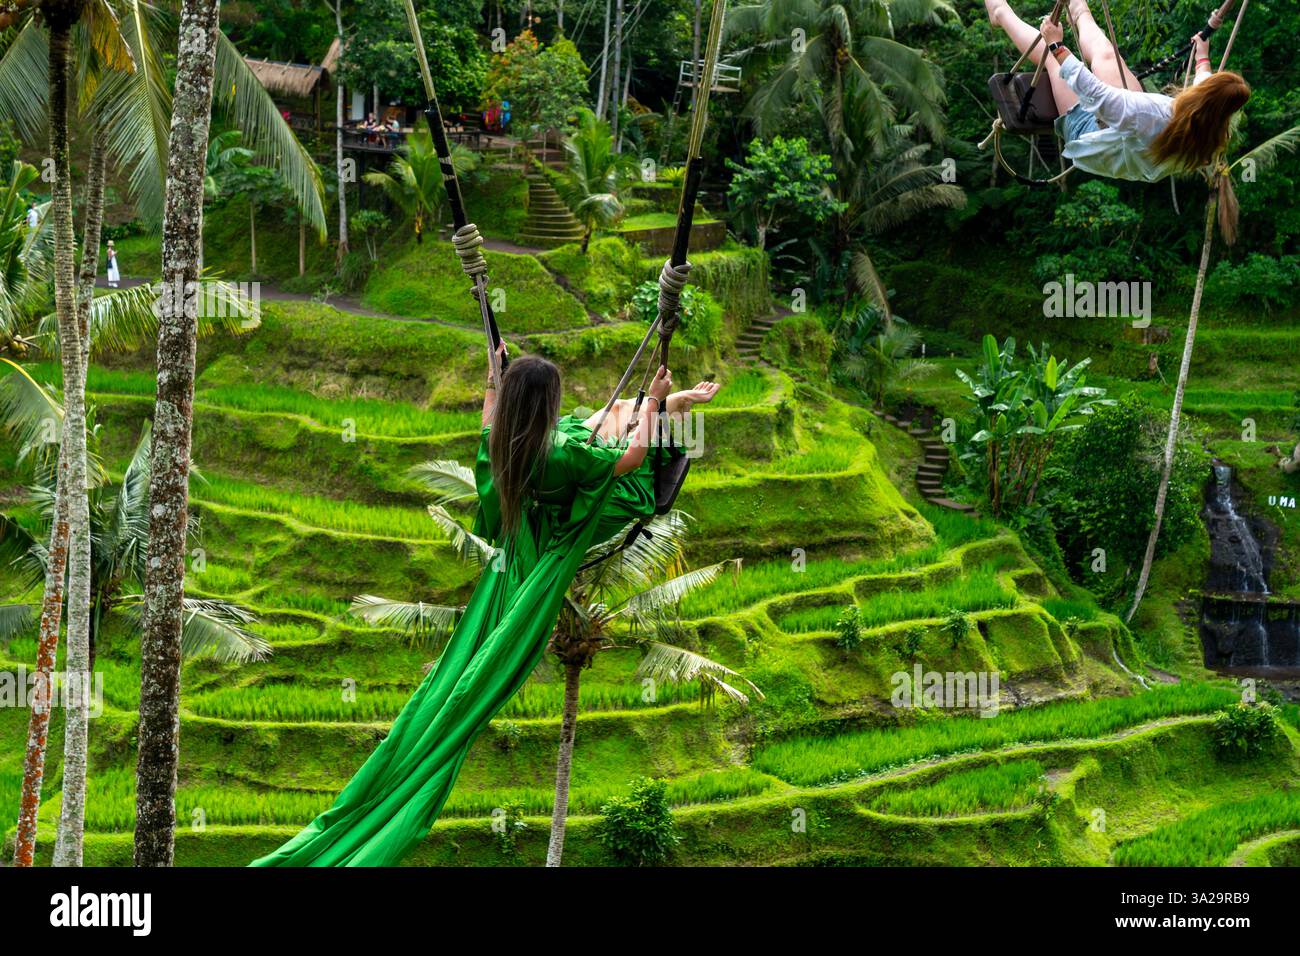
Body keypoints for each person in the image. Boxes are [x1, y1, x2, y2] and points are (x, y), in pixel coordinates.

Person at [250, 344, 721, 866]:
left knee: (612, 413)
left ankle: (675, 400)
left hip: (545, 502)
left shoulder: (504, 443)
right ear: (545, 406)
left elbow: (489, 418)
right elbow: (633, 460)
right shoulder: (564, 453)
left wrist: (492, 379)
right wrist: (652, 404)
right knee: (627, 423)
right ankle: (669, 402)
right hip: (607, 501)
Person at [985, 0, 1250, 183]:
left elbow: (1097, 95)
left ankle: (1000, 13)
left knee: (1053, 61)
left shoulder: (1155, 113)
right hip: (1128, 138)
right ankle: (1079, 10)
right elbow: (1205, 89)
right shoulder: (1214, 129)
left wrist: (1057, 44)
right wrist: (1202, 57)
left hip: (1091, 134)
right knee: (1105, 55)